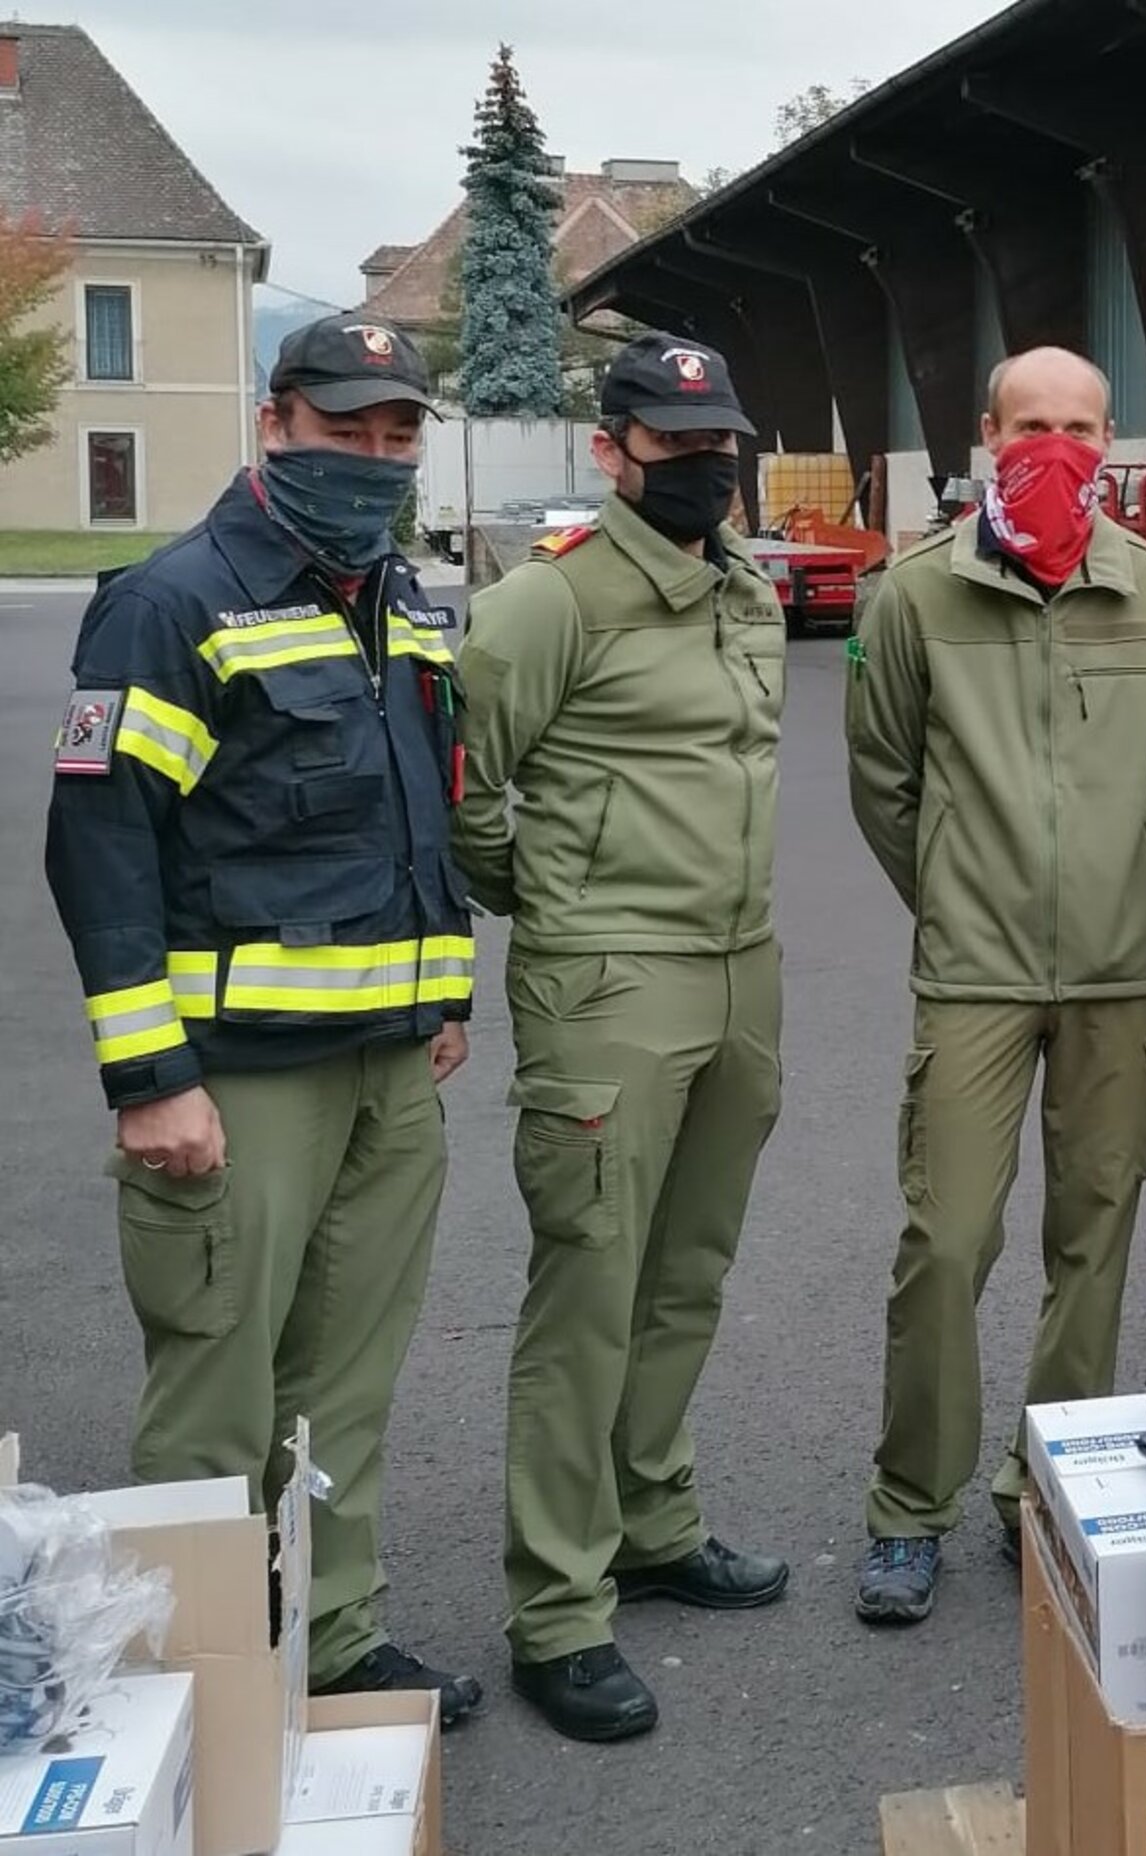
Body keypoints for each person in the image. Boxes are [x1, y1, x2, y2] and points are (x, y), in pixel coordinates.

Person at [44, 315, 482, 1724]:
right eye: (342, 428)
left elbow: (423, 805)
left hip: (387, 1066)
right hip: (237, 1083)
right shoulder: (171, 603)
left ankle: (334, 1642)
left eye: (395, 432)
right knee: (219, 1391)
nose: (370, 457)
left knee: (343, 1385)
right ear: (273, 423)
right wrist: (149, 1073)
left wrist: (442, 992)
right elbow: (100, 846)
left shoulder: (398, 597)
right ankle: (197, 1696)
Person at [453, 333, 788, 1742]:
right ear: (615, 448)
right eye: (675, 443)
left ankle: (652, 1521)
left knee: (686, 1274)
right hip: (608, 983)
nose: (704, 467)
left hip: (740, 973)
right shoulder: (549, 605)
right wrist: (567, 908)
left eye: (722, 444)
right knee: (588, 1294)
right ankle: (558, 1608)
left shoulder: (744, 593)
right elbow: (470, 797)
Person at [846, 346, 1146, 1624]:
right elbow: (881, 783)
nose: (1054, 444)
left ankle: (1042, 1483)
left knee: (1091, 1238)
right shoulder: (911, 597)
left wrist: (1124, 891)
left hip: (1121, 975)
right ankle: (909, 1504)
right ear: (987, 435)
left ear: (1111, 440)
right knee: (945, 1239)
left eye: (1079, 425)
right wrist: (960, 895)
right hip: (975, 977)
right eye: (1031, 424)